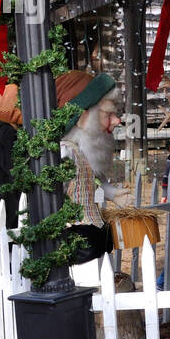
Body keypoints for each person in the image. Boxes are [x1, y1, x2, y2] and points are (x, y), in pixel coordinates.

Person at [59, 72, 124, 264]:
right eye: (108, 114)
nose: (116, 121)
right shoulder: (66, 153)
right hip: (78, 237)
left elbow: (90, 182)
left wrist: (112, 193)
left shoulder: (84, 153)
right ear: (82, 118)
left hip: (95, 234)